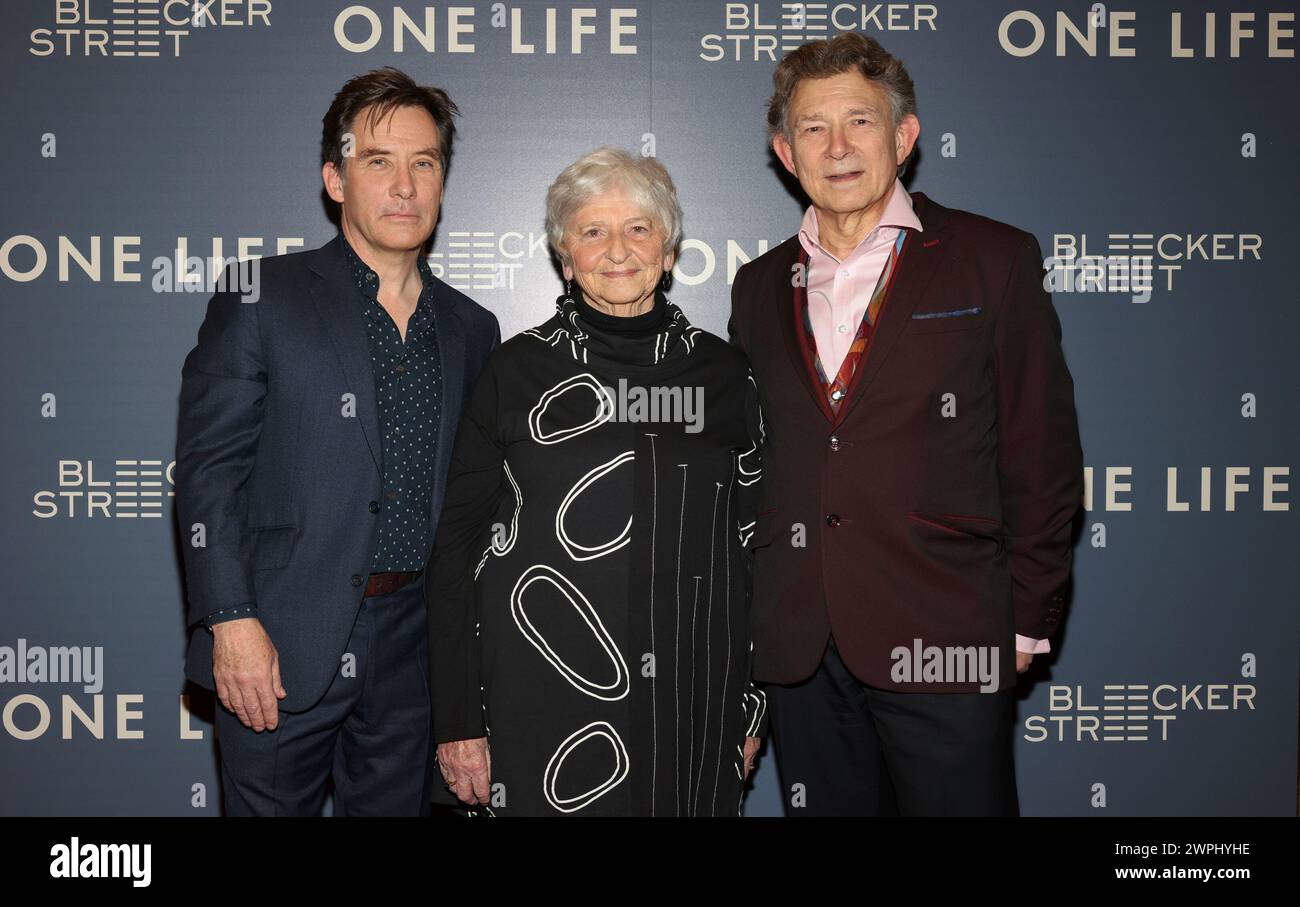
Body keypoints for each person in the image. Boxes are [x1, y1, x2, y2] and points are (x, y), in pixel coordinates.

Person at [729, 34, 1083, 816]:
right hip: (802, 645)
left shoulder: (992, 259)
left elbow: (1041, 453)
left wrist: (1027, 621)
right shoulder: (756, 287)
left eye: (861, 120)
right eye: (814, 128)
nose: (839, 146)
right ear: (787, 152)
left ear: (905, 135)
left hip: (946, 631)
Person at [175, 67, 499, 816]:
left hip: (418, 653)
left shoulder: (472, 328)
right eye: (378, 162)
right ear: (334, 177)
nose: (405, 186)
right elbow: (208, 473)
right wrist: (230, 620)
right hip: (279, 640)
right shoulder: (261, 295)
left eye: (425, 164)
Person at [427, 147, 767, 816]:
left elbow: (758, 550)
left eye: (639, 228)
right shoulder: (515, 372)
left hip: (693, 705)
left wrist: (753, 706)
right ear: (564, 256)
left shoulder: (726, 377)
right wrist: (459, 718)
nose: (618, 249)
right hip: (536, 701)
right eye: (592, 230)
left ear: (669, 251)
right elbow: (457, 553)